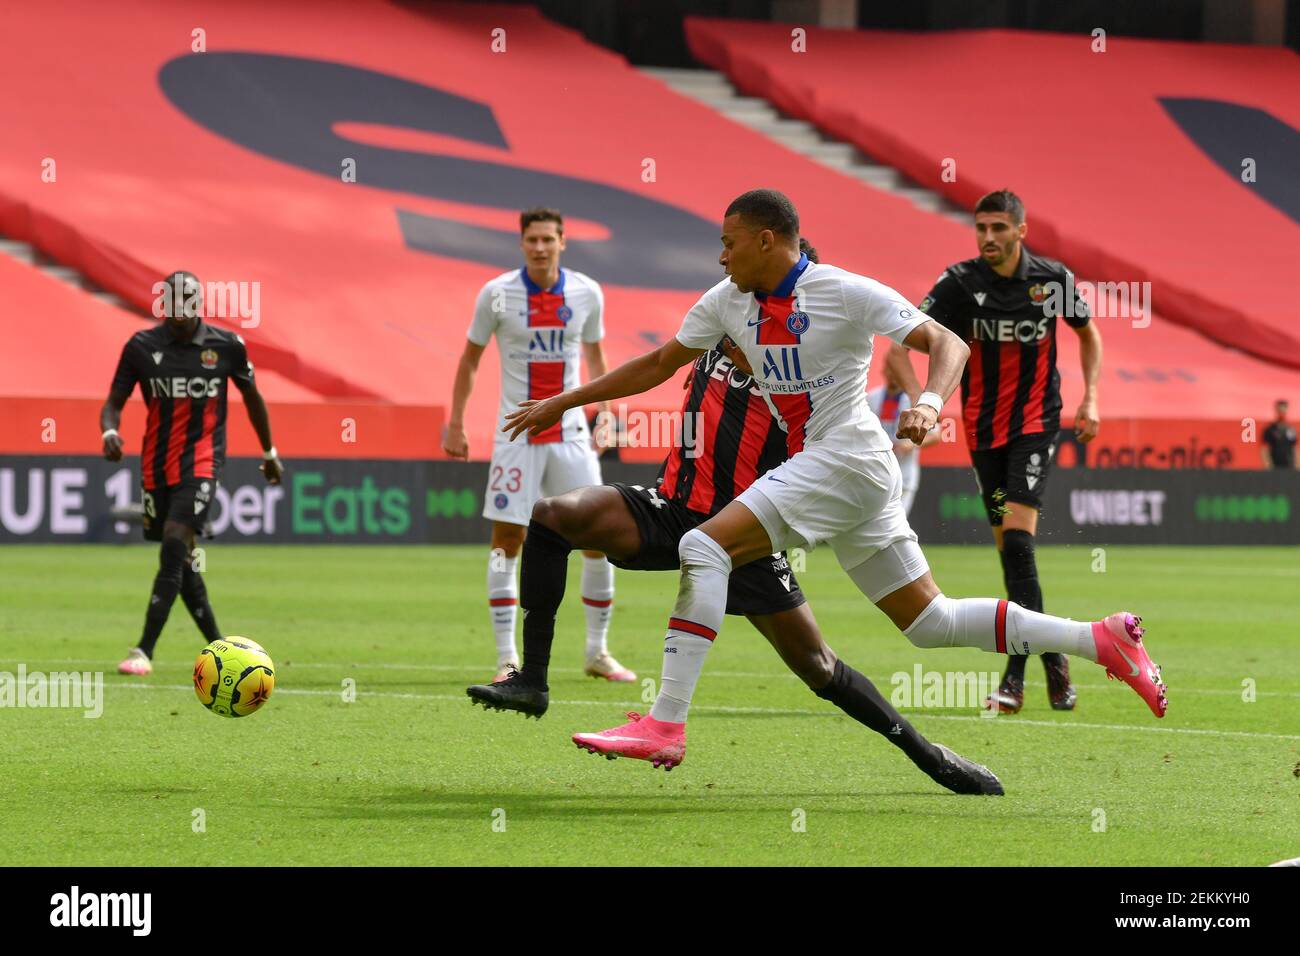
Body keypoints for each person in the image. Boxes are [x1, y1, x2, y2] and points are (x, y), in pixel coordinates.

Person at [503, 189, 1166, 770]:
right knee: (929, 621)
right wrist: (568, 400)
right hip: (848, 472)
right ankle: (1100, 639)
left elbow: (950, 345)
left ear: (768, 240)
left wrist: (929, 403)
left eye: (729, 244)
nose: (721, 257)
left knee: (703, 547)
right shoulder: (727, 301)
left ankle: (665, 723)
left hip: (845, 456)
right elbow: (657, 362)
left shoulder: (842, 289)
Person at [467, 240, 1002, 795]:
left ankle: (931, 756)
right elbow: (652, 366)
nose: (749, 294)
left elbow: (828, 436)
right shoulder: (719, 323)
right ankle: (531, 679)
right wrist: (567, 400)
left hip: (739, 535)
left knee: (818, 666)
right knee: (553, 516)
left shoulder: (798, 378)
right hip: (671, 506)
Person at [895, 189, 1102, 714]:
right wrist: (925, 398)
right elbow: (901, 343)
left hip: (1035, 427)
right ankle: (1054, 656)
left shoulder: (1050, 280)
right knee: (1010, 555)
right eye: (981, 228)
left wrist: (1092, 396)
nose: (988, 238)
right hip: (982, 434)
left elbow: (1088, 335)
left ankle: (1014, 677)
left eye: (998, 229)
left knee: (1017, 544)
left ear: (1020, 231)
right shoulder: (961, 284)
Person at [442, 208, 633, 684]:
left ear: (563, 242)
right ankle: (507, 658)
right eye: (532, 239)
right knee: (506, 543)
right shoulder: (497, 293)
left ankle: (597, 651)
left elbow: (595, 356)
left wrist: (606, 411)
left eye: (549, 239)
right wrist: (456, 422)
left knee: (597, 541)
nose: (541, 247)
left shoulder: (586, 293)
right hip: (516, 437)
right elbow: (469, 360)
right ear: (521, 243)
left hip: (571, 437)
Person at [102, 271, 282, 676]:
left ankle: (143, 650)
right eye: (173, 299)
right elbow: (113, 402)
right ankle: (221, 648)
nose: (180, 307)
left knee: (172, 544)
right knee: (180, 558)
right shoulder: (140, 347)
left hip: (202, 462)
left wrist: (269, 452)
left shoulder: (227, 346)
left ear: (199, 302)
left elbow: (252, 398)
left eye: (188, 298)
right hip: (155, 465)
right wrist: (110, 430)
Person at [868, 358, 938, 515]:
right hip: (876, 474)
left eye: (896, 371)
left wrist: (911, 444)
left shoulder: (916, 401)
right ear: (884, 371)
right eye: (890, 370)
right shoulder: (871, 397)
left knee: (896, 522)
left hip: (904, 474)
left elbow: (935, 435)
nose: (893, 375)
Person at [1262, 400, 1296, 469]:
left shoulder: (1291, 429)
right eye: (1280, 410)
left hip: (1289, 466)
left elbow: (1294, 448)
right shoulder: (1270, 429)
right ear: (1276, 410)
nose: (1282, 413)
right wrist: (1268, 465)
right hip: (1275, 466)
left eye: (1284, 410)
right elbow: (1264, 449)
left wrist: (1297, 465)